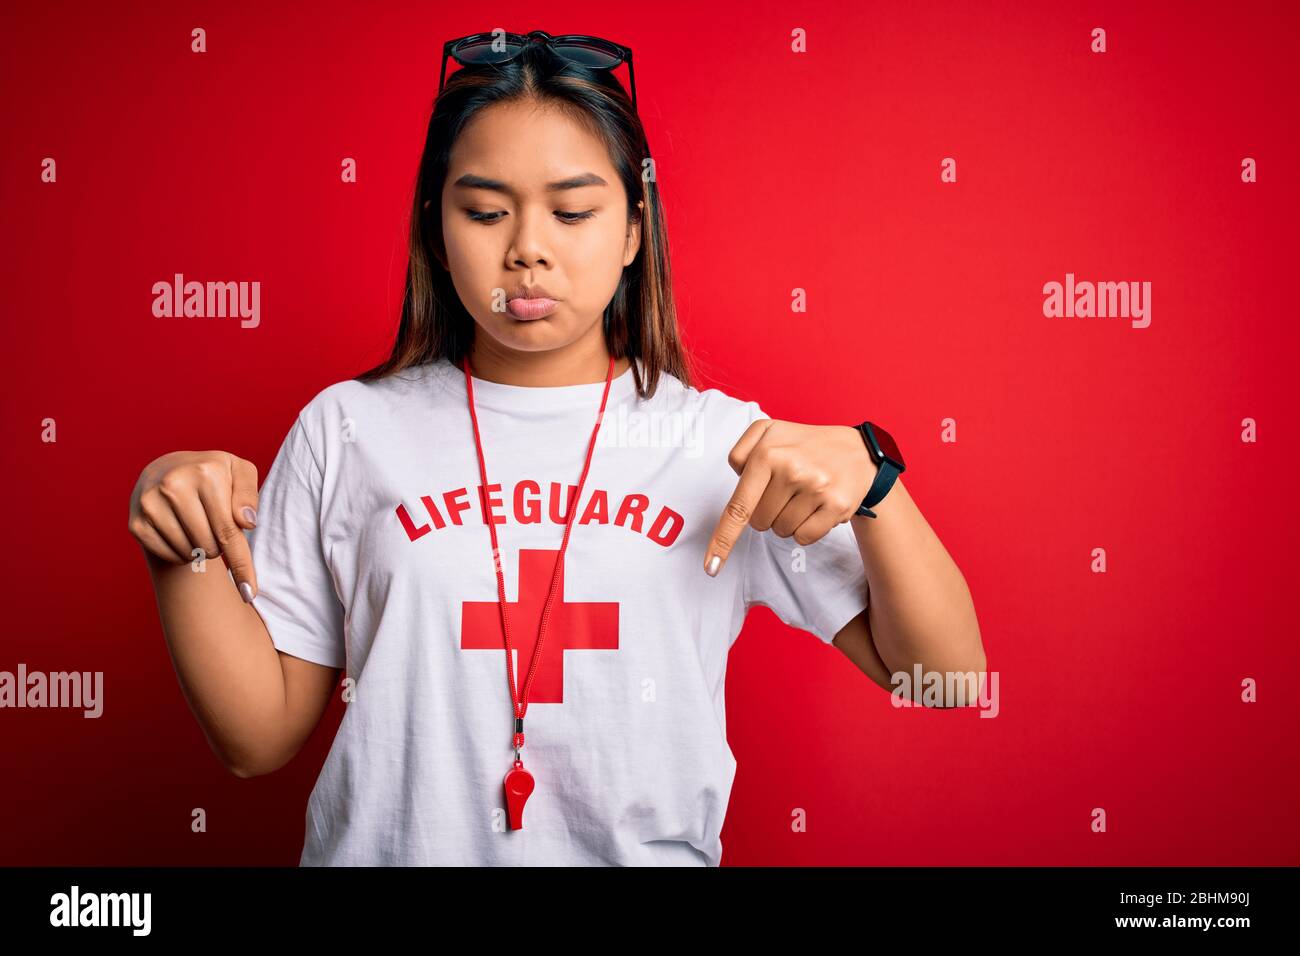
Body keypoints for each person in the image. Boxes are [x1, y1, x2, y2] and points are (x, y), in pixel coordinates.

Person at [128, 31, 984, 866]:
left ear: (632, 233)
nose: (527, 249)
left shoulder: (717, 443)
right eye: (485, 211)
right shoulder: (346, 427)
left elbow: (943, 678)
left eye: (573, 211)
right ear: (436, 228)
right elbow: (256, 739)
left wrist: (879, 483)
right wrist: (181, 535)